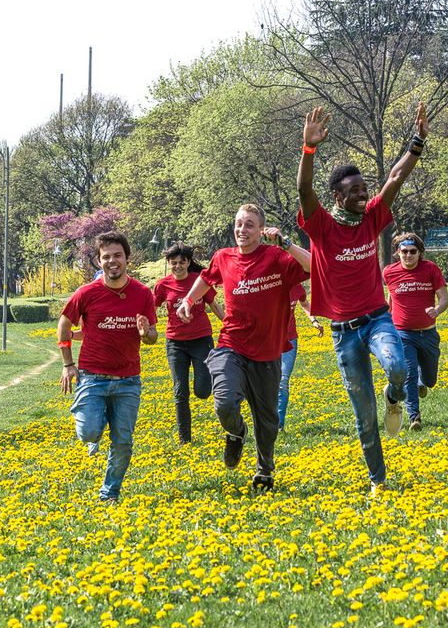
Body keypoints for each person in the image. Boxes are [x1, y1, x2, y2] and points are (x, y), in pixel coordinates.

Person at [296, 102, 428, 491]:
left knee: (400, 369)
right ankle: (378, 481)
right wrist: (308, 149)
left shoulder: (372, 216)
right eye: (354, 192)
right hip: (343, 332)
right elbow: (304, 189)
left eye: (363, 190)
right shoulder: (319, 226)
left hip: (376, 319)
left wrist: (417, 141)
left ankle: (395, 395)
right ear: (336, 197)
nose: (362, 196)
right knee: (363, 416)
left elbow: (396, 177)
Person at [177, 205, 310, 492]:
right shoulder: (223, 257)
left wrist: (286, 242)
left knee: (268, 420)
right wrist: (188, 301)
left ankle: (265, 469)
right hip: (231, 344)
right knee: (224, 402)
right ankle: (236, 432)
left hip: (268, 352)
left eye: (249, 225)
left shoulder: (277, 257)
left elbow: (314, 266)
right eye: (238, 224)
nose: (242, 230)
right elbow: (206, 278)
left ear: (261, 230)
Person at [57, 232, 158, 504]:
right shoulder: (87, 293)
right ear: (99, 261)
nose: (112, 261)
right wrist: (68, 364)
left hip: (128, 381)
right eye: (106, 257)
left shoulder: (142, 294)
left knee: (123, 442)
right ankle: (93, 425)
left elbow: (153, 338)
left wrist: (145, 332)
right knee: (89, 431)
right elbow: (65, 323)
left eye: (117, 256)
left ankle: (109, 493)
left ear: (127, 259)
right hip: (92, 377)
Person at [153, 243, 225, 444]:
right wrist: (142, 326)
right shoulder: (162, 285)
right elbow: (150, 308)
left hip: (201, 340)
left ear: (188, 262)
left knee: (202, 391)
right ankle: (185, 439)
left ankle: (208, 382)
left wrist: (229, 324)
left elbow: (214, 306)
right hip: (175, 343)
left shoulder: (199, 281)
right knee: (180, 391)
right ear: (169, 263)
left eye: (181, 262)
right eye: (173, 263)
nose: (177, 266)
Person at [383, 232, 448, 431]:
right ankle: (414, 417)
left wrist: (436, 310)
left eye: (413, 251)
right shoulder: (389, 272)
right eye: (404, 251)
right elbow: (391, 297)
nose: (408, 255)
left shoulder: (430, 269)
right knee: (409, 374)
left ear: (420, 253)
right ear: (398, 252)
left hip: (428, 333)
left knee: (430, 380)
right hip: (403, 334)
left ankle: (423, 381)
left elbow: (444, 299)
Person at [277, 282, 323, 430]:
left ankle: (278, 425)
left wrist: (314, 320)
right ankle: (265, 422)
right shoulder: (270, 283)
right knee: (266, 383)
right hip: (268, 341)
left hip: (290, 340)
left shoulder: (297, 287)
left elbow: (304, 303)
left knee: (282, 380)